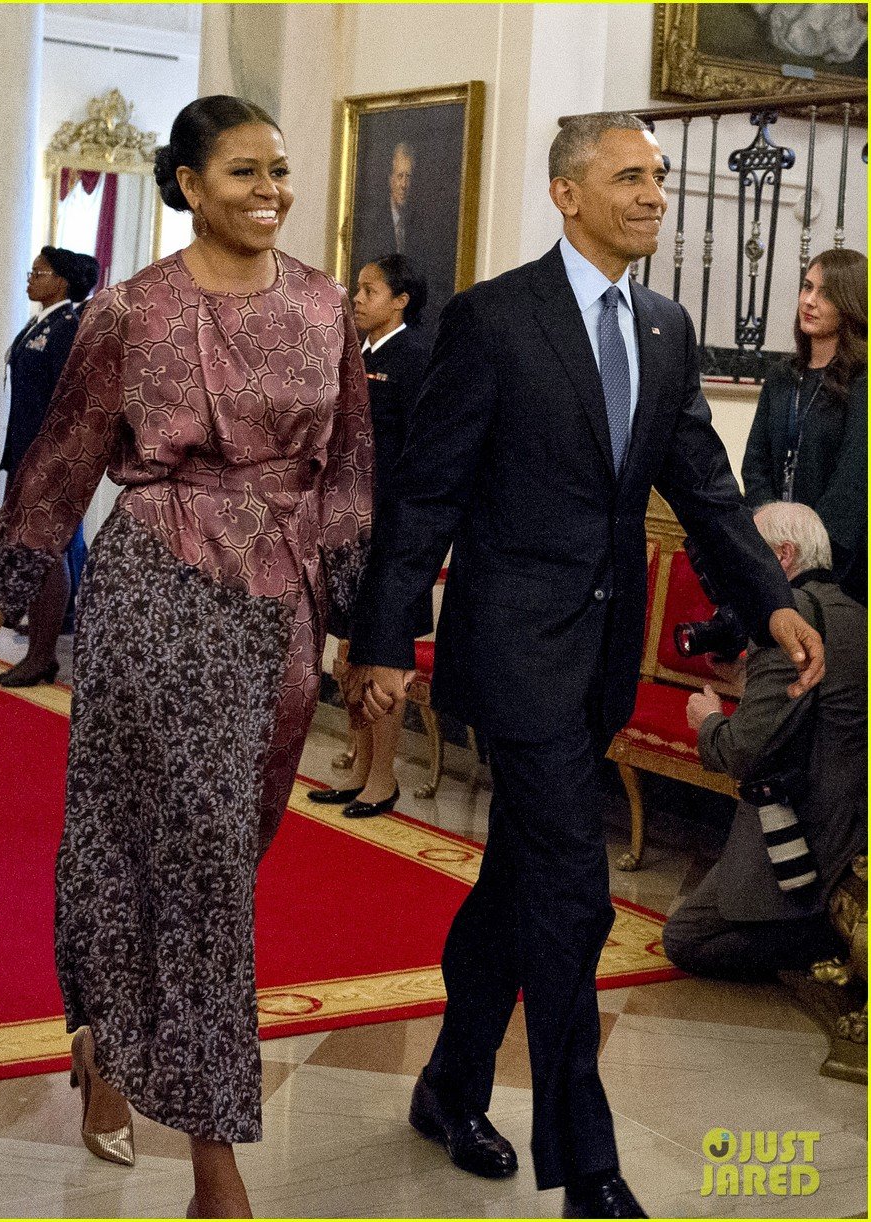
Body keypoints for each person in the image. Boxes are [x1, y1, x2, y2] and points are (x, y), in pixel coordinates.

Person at [344, 112, 824, 1218]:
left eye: (658, 176)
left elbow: (702, 486)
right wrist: (379, 640)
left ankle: (451, 1083)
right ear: (567, 194)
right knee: (572, 890)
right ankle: (587, 1161)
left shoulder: (662, 325)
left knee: (519, 877)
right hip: (510, 651)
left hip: (598, 660)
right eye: (629, 177)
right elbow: (428, 495)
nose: (654, 194)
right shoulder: (492, 319)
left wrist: (773, 603)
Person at [0, 95, 372, 1219]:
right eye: (242, 172)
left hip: (284, 607)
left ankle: (105, 1045)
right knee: (196, 870)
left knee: (219, 854)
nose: (270, 189)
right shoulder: (130, 313)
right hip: (155, 596)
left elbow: (353, 473)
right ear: (185, 185)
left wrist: (363, 634)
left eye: (279, 169)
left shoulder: (326, 306)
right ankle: (215, 1169)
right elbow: (55, 473)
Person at [664, 501, 866, 981]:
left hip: (806, 838)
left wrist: (707, 720)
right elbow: (810, 703)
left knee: (684, 940)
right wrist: (745, 675)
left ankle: (812, 940)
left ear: (783, 556)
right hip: (853, 825)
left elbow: (742, 751)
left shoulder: (790, 618)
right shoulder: (854, 612)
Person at [309, 253, 430, 817]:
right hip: (346, 531)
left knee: (382, 659)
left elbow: (416, 455)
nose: (357, 299)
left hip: (387, 533)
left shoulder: (415, 357)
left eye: (370, 290)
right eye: (356, 289)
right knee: (351, 659)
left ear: (401, 300)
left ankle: (383, 779)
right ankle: (358, 769)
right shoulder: (356, 353)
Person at [0, 247, 100, 686]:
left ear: (63, 281)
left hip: (49, 458)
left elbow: (69, 400)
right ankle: (37, 648)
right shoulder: (42, 323)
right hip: (25, 451)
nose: (31, 279)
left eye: (40, 272)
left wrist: (52, 458)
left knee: (46, 553)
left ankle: (42, 655)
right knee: (31, 551)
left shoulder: (67, 328)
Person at [741, 248, 867, 593]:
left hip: (835, 567)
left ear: (851, 304)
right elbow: (756, 464)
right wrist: (770, 536)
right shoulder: (784, 375)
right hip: (772, 554)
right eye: (806, 287)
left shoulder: (862, 380)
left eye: (825, 293)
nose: (809, 301)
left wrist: (809, 552)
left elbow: (854, 481)